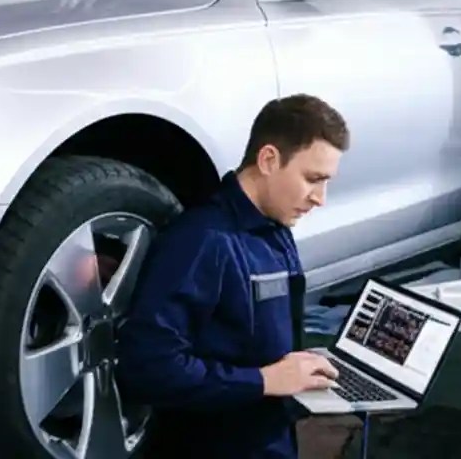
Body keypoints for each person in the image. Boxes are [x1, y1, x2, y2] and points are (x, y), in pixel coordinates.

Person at [116, 94, 350, 458]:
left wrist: (297, 369)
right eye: (312, 179)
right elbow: (148, 368)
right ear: (269, 159)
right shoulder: (202, 242)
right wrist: (265, 381)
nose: (320, 198)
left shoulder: (274, 229)